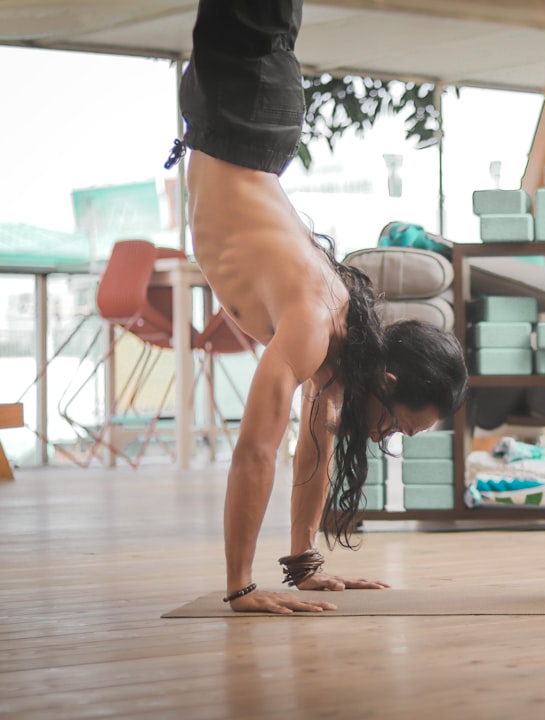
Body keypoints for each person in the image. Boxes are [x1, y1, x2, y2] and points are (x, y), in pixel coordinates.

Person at [169, 0, 468, 613]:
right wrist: (241, 588)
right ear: (386, 382)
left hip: (247, 119)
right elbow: (255, 449)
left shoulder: (341, 365)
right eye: (399, 425)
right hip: (242, 108)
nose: (388, 437)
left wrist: (304, 566)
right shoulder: (312, 325)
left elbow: (316, 445)